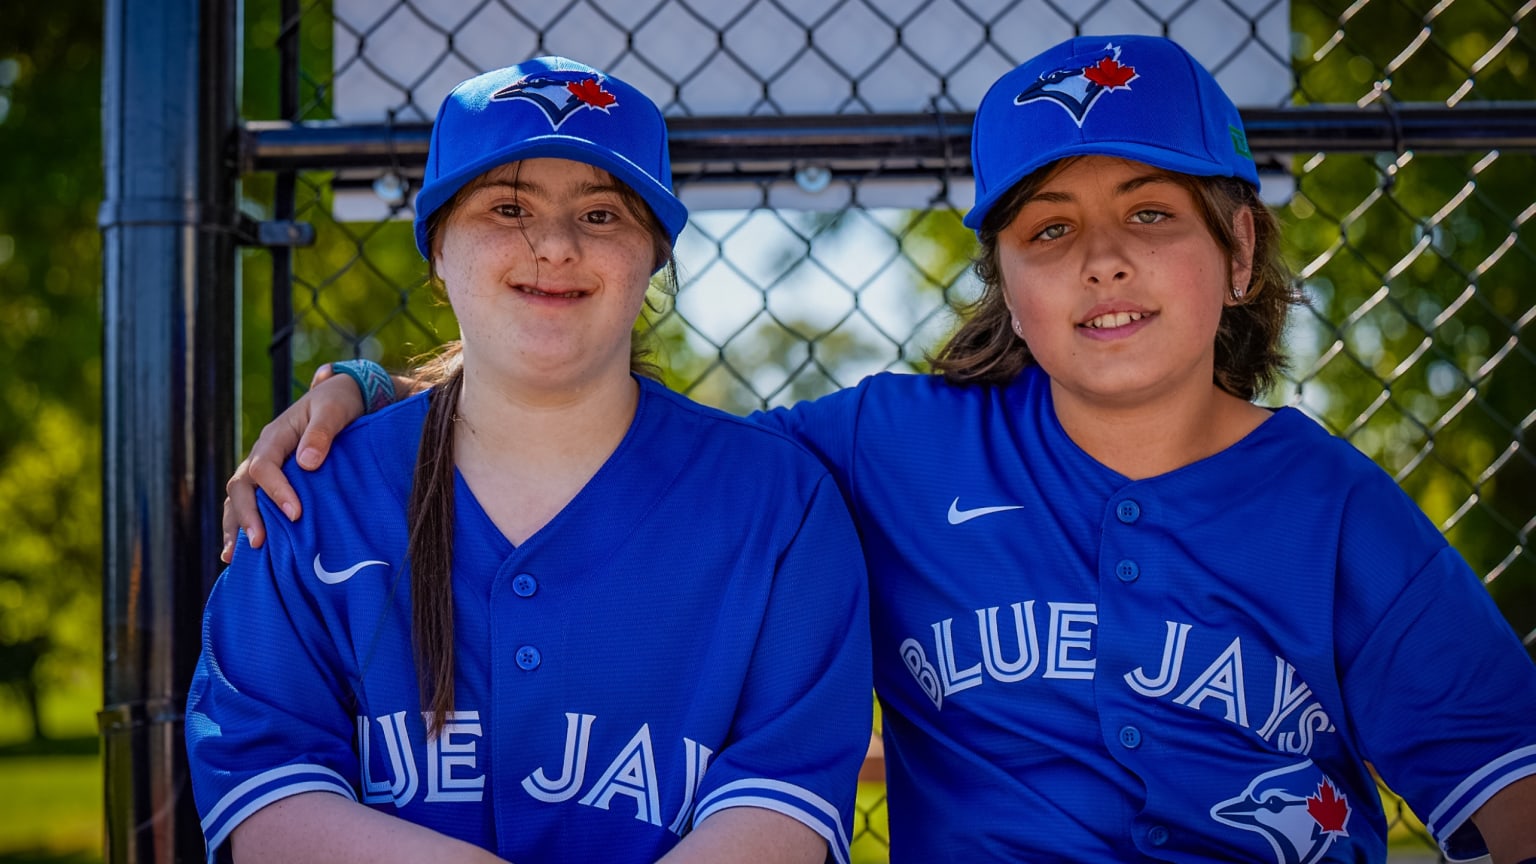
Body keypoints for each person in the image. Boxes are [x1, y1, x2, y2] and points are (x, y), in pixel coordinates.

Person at [220, 36, 1536, 863]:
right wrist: (366, 388)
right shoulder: (895, 448)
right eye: (1050, 231)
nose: (1108, 261)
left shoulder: (1338, 513)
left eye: (1154, 211)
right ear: (1003, 279)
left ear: (1241, 251)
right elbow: (584, 426)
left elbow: (1505, 777)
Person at [187, 56, 872, 864]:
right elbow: (267, 797)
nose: (553, 245)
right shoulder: (314, 498)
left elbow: (781, 807)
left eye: (602, 215)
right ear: (437, 250)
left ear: (652, 257)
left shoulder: (777, 503)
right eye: (508, 207)